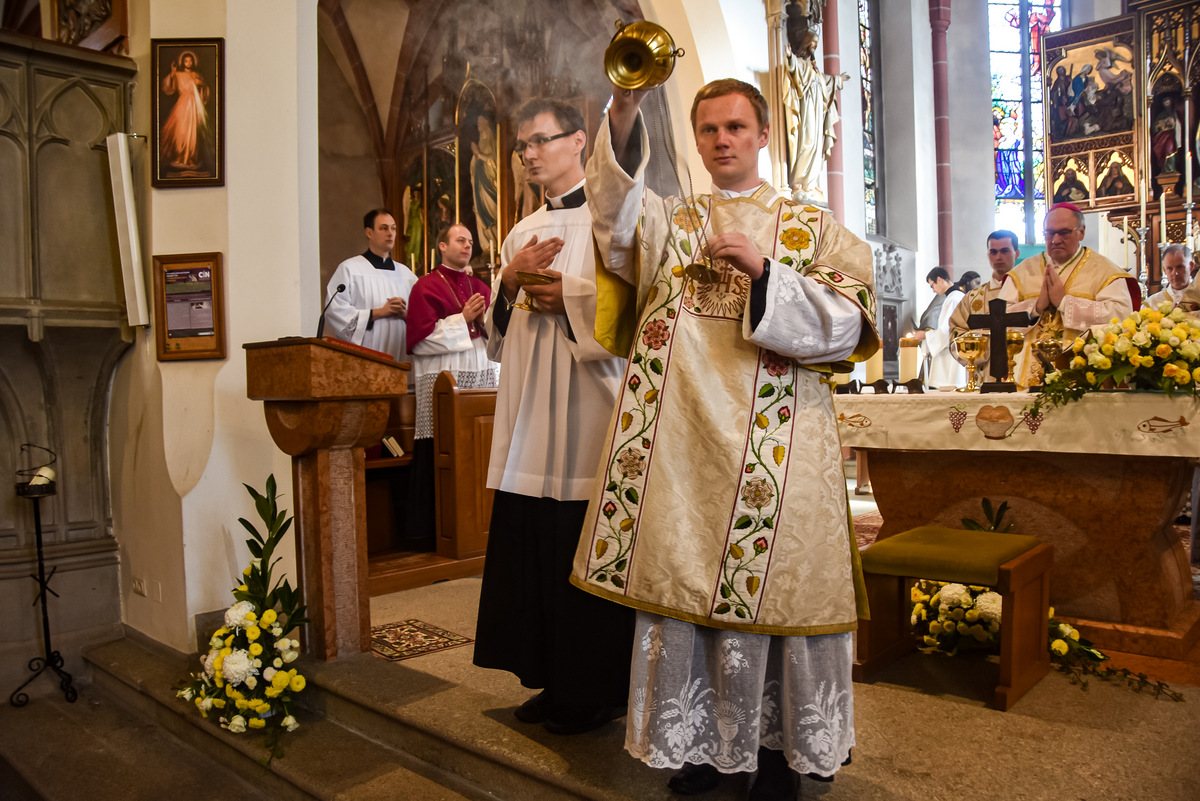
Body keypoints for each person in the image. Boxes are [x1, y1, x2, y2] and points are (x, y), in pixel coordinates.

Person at [572, 78, 878, 798]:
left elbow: (848, 326)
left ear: (763, 135)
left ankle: (778, 760)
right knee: (688, 593)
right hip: (683, 449)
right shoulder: (672, 222)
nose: (722, 140)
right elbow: (612, 217)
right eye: (708, 129)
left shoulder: (812, 226)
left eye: (736, 127)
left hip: (778, 444)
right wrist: (621, 111)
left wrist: (769, 273)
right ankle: (705, 750)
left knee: (778, 600)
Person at [472, 97, 634, 736]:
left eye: (541, 141)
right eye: (523, 146)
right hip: (532, 414)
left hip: (590, 409)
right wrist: (509, 284)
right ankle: (551, 676)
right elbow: (492, 334)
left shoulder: (614, 219)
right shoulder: (518, 232)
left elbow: (635, 312)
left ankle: (595, 687)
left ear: (580, 140)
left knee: (582, 552)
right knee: (535, 549)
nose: (530, 154)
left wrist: (565, 295)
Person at [404, 223, 499, 546]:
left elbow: (496, 334)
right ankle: (433, 533)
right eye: (460, 240)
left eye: (471, 241)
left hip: (481, 373)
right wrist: (462, 318)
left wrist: (483, 319)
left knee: (480, 447)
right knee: (443, 447)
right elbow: (419, 341)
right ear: (442, 246)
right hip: (445, 375)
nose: (467, 245)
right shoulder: (425, 287)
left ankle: (482, 528)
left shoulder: (480, 286)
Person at [999, 202, 1138, 386]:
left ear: (1081, 232)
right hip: (1021, 381)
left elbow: (1120, 317)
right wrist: (1035, 307)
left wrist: (1065, 303)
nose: (1055, 239)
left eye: (1064, 233)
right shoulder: (1022, 272)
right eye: (1049, 233)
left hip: (1084, 378)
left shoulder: (1105, 271)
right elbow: (999, 319)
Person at [323, 209, 418, 361]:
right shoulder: (350, 269)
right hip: (365, 358)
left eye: (393, 228)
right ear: (369, 232)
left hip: (402, 357)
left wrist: (404, 314)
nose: (390, 233)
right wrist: (381, 312)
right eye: (383, 228)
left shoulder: (408, 276)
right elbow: (335, 311)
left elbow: (422, 316)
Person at [781, 0, 845, 204]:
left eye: (816, 46)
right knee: (807, 142)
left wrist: (838, 80)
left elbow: (826, 81)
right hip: (807, 109)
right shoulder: (801, 65)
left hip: (818, 111)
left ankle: (811, 181)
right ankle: (800, 181)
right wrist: (790, 58)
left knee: (817, 145)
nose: (814, 48)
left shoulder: (816, 70)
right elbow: (793, 71)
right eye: (812, 45)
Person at [949, 231, 1021, 381]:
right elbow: (956, 336)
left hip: (1023, 375)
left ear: (1017, 253)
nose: (998, 257)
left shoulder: (1029, 293)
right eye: (993, 252)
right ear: (988, 255)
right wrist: (986, 347)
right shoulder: (973, 298)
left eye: (1005, 251)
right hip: (985, 379)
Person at [911, 267, 966, 387]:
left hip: (952, 356)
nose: (933, 291)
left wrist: (925, 335)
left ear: (939, 280)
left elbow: (946, 332)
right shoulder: (957, 296)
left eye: (932, 286)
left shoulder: (952, 299)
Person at [160, 50, 212, 174]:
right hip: (182, 104)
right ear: (183, 62)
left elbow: (205, 91)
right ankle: (180, 157)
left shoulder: (196, 75)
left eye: (190, 61)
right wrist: (172, 75)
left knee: (192, 134)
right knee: (181, 132)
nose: (188, 63)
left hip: (194, 106)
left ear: (193, 62)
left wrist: (201, 85)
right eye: (186, 61)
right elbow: (168, 88)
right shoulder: (177, 74)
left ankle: (190, 159)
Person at [1148, 245, 1194, 310]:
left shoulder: (1197, 297)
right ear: (1164, 270)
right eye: (1170, 268)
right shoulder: (1151, 304)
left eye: (1180, 267)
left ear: (1191, 266)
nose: (1175, 273)